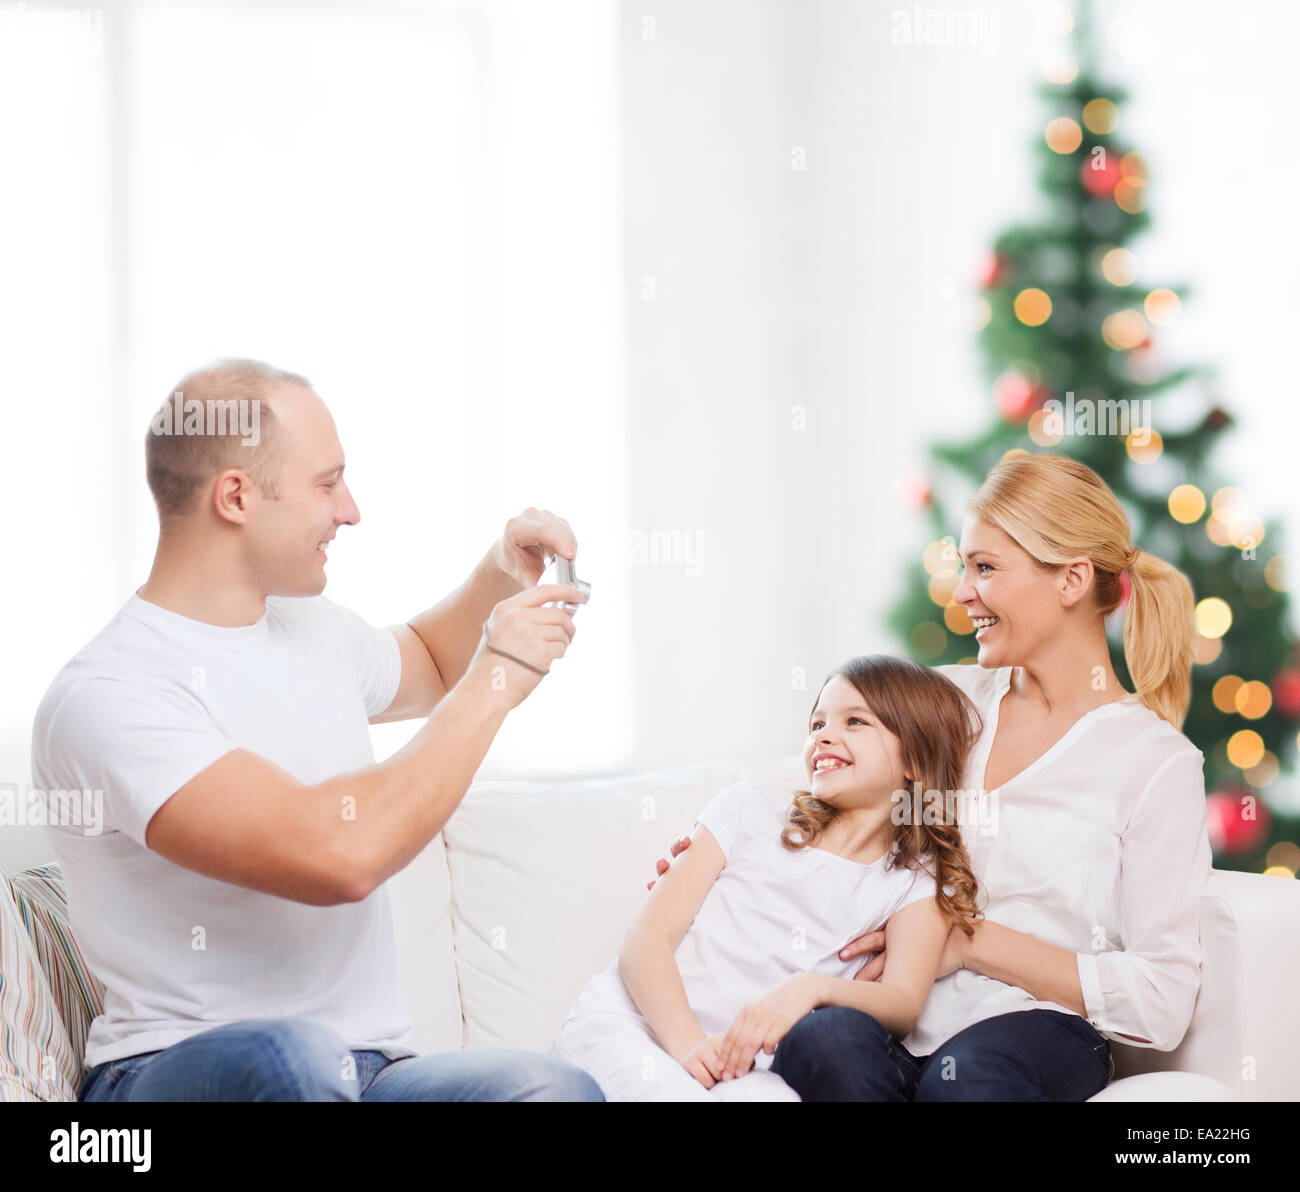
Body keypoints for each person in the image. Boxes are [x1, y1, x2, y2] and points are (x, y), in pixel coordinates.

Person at [31, 358, 603, 1102]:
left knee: (547, 1088)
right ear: (235, 496)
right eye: (327, 483)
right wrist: (495, 682)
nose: (351, 511)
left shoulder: (311, 629)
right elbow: (338, 855)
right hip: (178, 1070)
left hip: (367, 1073)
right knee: (288, 1059)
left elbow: (431, 659)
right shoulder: (110, 694)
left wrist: (502, 571)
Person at [652, 450, 1212, 1101]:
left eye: (985, 568)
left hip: (1033, 1028)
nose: (962, 592)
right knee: (819, 1042)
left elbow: (1164, 1000)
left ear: (1072, 580)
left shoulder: (1155, 763)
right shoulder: (948, 701)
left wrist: (966, 939)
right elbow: (826, 784)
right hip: (894, 1008)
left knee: (967, 1083)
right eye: (964, 567)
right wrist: (720, 854)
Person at [551, 655, 984, 1101]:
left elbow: (902, 1002)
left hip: (740, 1069)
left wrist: (812, 989)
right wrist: (688, 1046)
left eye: (855, 721)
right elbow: (646, 939)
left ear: (914, 757)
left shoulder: (915, 880)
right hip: (635, 1029)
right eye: (817, 724)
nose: (825, 736)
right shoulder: (746, 811)